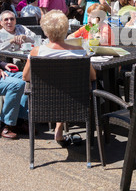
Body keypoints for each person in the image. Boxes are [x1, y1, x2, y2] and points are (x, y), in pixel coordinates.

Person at [23, 10, 96, 147]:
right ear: (66, 29)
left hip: (45, 102)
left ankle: (58, 129)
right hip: (76, 102)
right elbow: (92, 77)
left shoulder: (37, 52)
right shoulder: (80, 51)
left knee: (58, 87)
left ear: (45, 31)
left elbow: (25, 77)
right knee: (67, 88)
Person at [0, 58, 29, 139]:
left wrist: (1, 63)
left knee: (29, 77)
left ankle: (18, 121)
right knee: (17, 85)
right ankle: (3, 124)